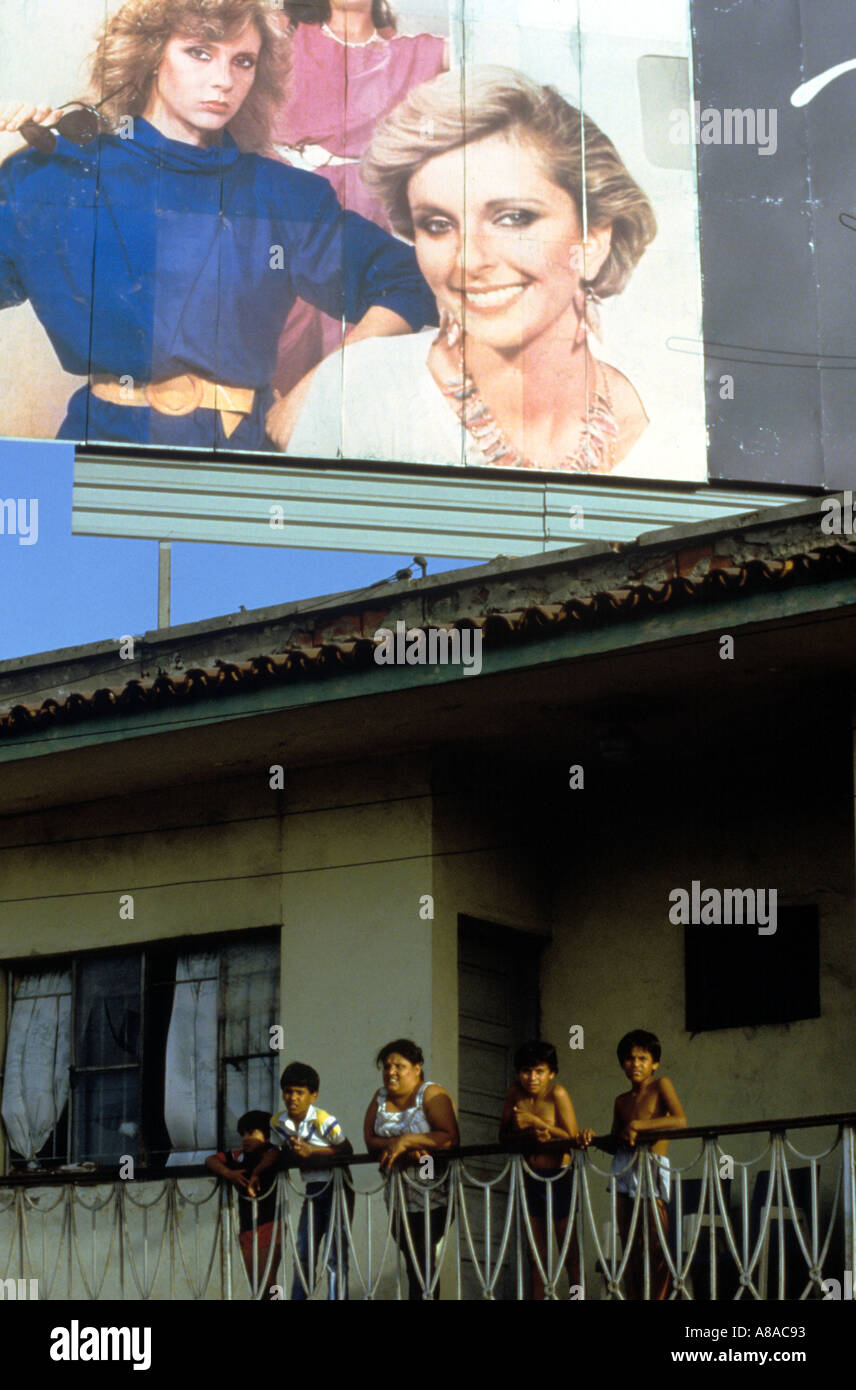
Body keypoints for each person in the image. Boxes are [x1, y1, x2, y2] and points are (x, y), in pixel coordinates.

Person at [0, 0, 436, 451]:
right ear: (150, 55)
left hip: (239, 455)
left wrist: (325, 384)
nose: (224, 80)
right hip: (97, 449)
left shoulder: (283, 193)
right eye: (200, 53)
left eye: (242, 61)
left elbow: (411, 280)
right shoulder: (54, 175)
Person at [286, 66, 658, 474]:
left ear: (592, 241)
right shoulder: (357, 397)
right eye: (438, 225)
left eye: (513, 218)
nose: (468, 261)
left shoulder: (670, 427)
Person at [267, 0, 448, 398]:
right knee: (280, 331)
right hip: (288, 200)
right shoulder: (285, 34)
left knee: (353, 343)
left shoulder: (410, 51)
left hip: (365, 204)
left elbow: (488, 47)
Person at [364, 1038, 459, 1300]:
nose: (390, 1072)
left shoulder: (429, 1093)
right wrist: (399, 1146)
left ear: (417, 1068)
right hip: (398, 1192)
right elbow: (370, 1140)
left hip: (430, 1186)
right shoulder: (381, 1097)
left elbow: (449, 1137)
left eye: (399, 1066)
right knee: (411, 1258)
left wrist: (406, 1141)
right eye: (386, 1066)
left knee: (424, 1257)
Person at [499, 1040, 594, 1300]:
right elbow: (503, 1135)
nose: (532, 1077)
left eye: (539, 1071)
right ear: (518, 1072)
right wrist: (526, 1134)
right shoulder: (514, 1094)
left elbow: (572, 1137)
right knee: (536, 1255)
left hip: (559, 1177)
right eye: (526, 1071)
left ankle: (577, 1298)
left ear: (550, 1073)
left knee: (569, 1252)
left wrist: (538, 1123)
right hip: (530, 1178)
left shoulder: (557, 1093)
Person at [250, 1061, 353, 1300]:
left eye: (300, 1093)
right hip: (312, 1188)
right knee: (304, 1251)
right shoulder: (278, 1122)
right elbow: (275, 1152)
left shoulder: (323, 1120)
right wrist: (257, 1172)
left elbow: (346, 1150)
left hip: (337, 1186)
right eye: (288, 1091)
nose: (292, 1098)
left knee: (335, 1254)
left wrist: (312, 1152)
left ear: (313, 1096)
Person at [609, 1028, 686, 1301]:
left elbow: (679, 1120)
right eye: (630, 1059)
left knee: (656, 1242)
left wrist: (639, 1125)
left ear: (654, 1063)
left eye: (642, 1058)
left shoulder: (660, 1085)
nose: (636, 1064)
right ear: (622, 1064)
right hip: (624, 1168)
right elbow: (616, 1138)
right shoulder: (621, 1100)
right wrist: (588, 1138)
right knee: (629, 1242)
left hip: (651, 1167)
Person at [205, 1109, 281, 1299]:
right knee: (255, 1283)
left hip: (269, 1223)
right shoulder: (238, 1156)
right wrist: (229, 1174)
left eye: (252, 1133)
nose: (246, 1139)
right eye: (243, 1134)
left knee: (269, 1281)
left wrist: (256, 1173)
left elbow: (273, 1156)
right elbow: (210, 1160)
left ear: (266, 1135)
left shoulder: (270, 1151)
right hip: (247, 1226)